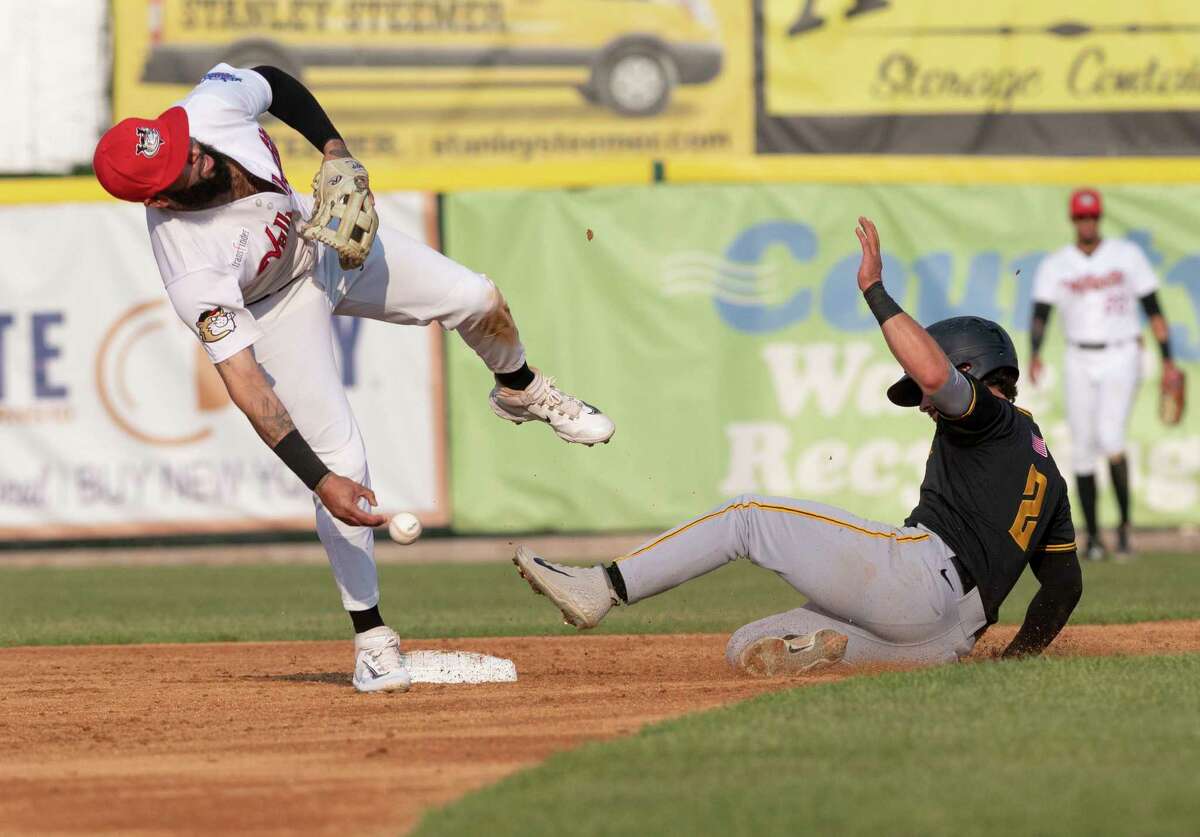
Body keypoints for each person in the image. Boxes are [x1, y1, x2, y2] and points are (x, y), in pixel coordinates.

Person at [92, 64, 614, 693]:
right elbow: (247, 385)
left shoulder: (203, 114)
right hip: (275, 308)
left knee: (477, 298)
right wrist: (319, 480)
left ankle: (521, 388)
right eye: (179, 165)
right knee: (343, 465)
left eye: (179, 143)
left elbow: (271, 80)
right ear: (160, 198)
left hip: (325, 240)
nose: (194, 154)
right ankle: (373, 643)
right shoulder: (190, 265)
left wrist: (334, 150)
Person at [512, 218, 1082, 674]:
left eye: (931, 394)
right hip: (949, 634)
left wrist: (875, 291)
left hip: (920, 574)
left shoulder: (990, 417)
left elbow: (935, 380)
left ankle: (601, 587)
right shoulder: (1049, 474)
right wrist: (1014, 663)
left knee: (747, 518)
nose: (926, 406)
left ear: (970, 370)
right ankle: (833, 649)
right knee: (748, 647)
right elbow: (1063, 589)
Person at [1029, 188, 1181, 561]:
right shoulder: (1057, 264)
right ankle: (1094, 538)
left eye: (1092, 216)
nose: (1087, 222)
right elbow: (1041, 314)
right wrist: (1034, 352)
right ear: (1073, 220)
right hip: (1077, 355)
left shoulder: (1126, 256)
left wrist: (1168, 360)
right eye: (1081, 217)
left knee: (1111, 436)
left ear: (1100, 218)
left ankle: (1125, 529)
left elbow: (1154, 309)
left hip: (1122, 352)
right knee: (1081, 449)